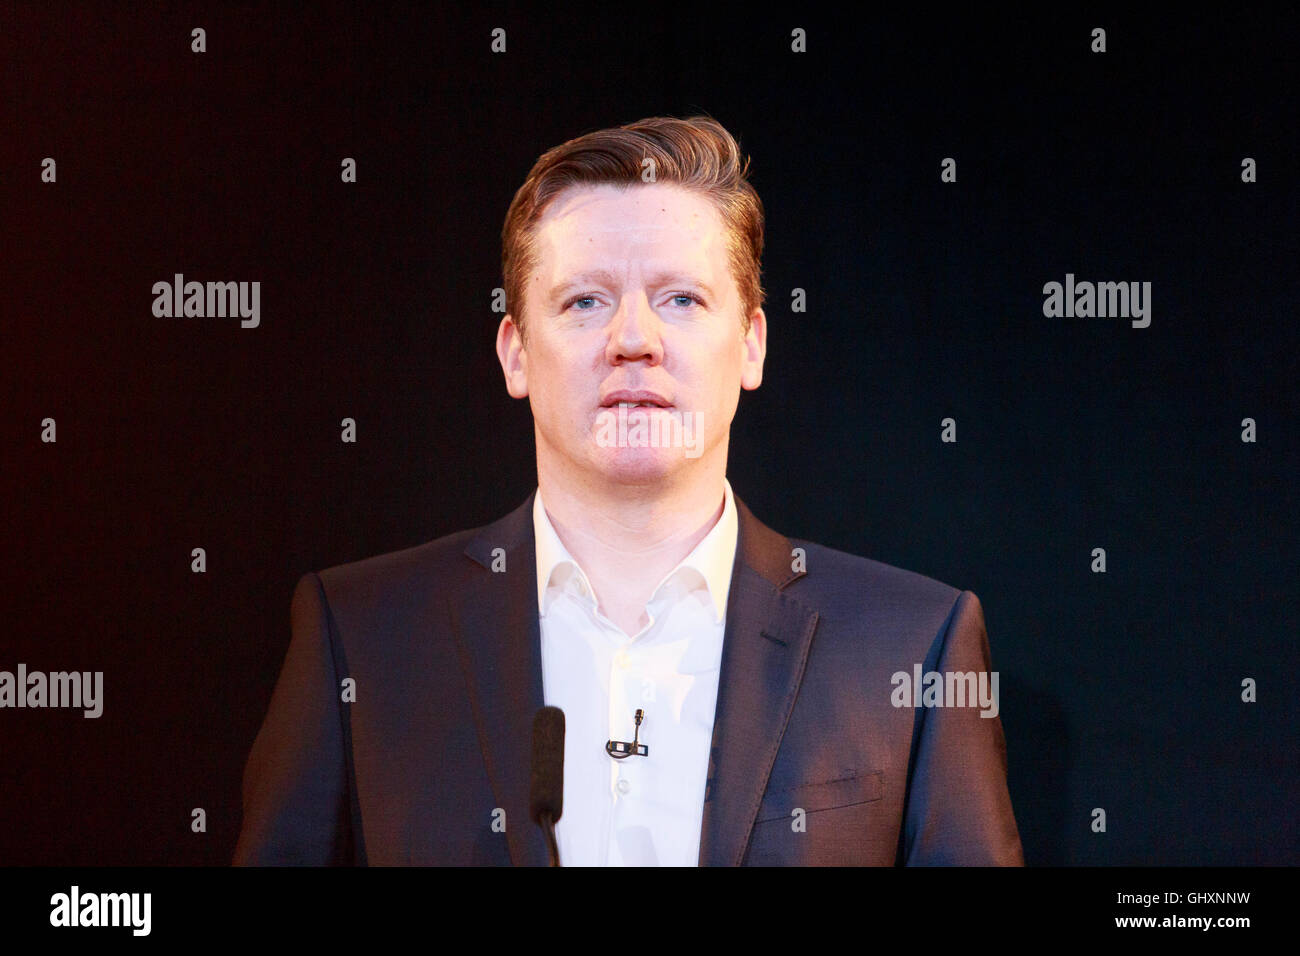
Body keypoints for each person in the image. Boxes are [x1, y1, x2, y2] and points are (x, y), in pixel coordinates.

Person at [233, 115, 1024, 866]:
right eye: (585, 301)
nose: (635, 339)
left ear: (751, 344)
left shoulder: (913, 644)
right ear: (515, 354)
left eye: (681, 299)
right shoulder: (363, 636)